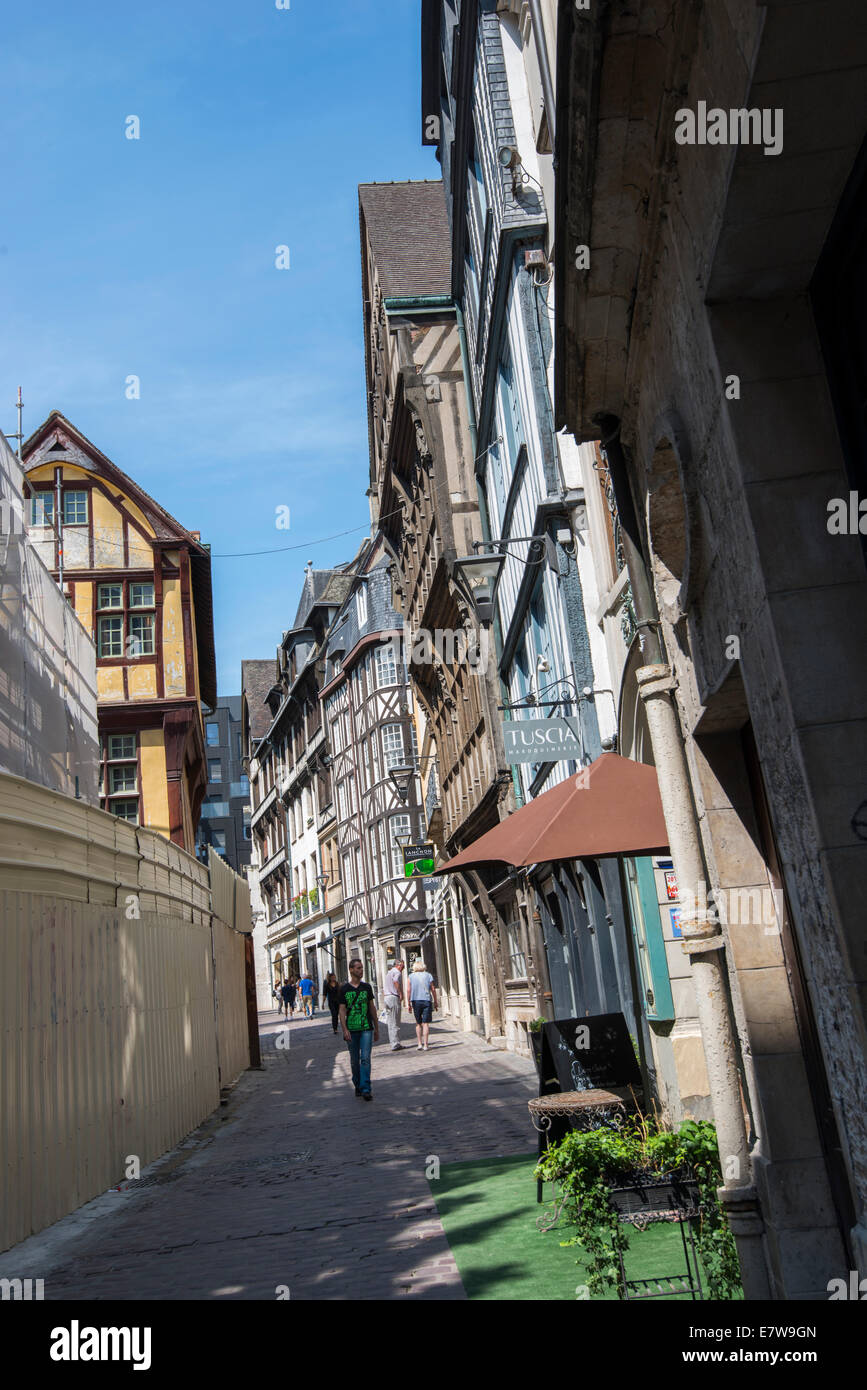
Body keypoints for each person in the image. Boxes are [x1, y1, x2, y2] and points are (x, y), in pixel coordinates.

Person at [338, 958, 379, 1101]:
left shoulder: (367, 987)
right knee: (355, 1060)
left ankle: (366, 1088)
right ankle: (357, 1084)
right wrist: (344, 1029)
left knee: (365, 1058)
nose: (361, 971)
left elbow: (371, 1007)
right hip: (352, 1029)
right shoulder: (344, 989)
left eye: (362, 968)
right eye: (358, 968)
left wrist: (376, 1027)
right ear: (351, 970)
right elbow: (342, 1011)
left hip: (366, 1027)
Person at [407, 960, 438, 1051]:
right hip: (426, 1000)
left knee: (418, 1023)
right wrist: (435, 1001)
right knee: (426, 1024)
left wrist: (408, 1003)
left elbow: (408, 990)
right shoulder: (428, 975)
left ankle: (419, 1043)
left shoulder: (410, 976)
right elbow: (433, 989)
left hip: (415, 1001)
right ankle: (426, 1045)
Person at [382, 958, 405, 1050]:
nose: (403, 967)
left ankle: (393, 1043)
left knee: (391, 1022)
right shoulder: (397, 972)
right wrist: (400, 993)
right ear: (398, 965)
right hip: (393, 997)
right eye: (403, 965)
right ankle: (395, 1044)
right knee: (395, 1021)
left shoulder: (389, 972)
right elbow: (395, 982)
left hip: (387, 997)